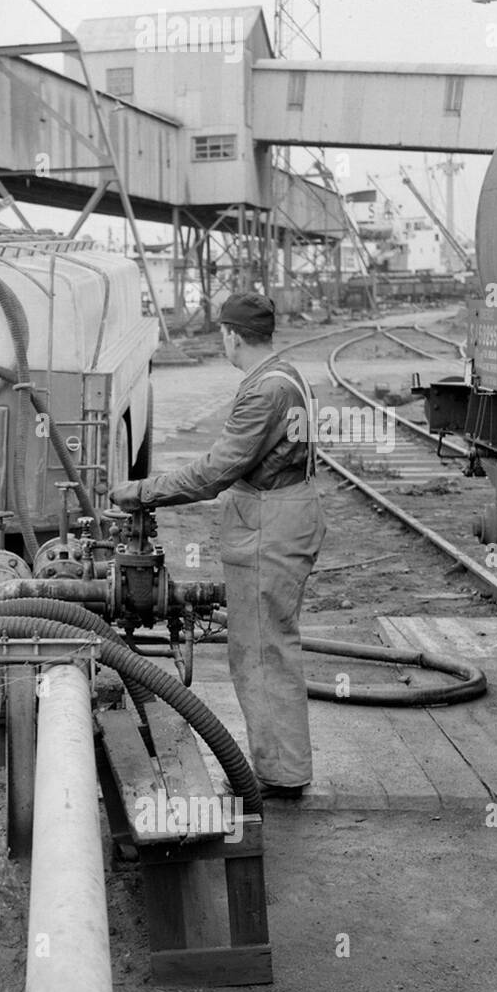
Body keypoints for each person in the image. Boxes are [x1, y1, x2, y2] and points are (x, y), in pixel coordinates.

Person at [109, 291, 326, 798]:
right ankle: (282, 768)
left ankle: (281, 776)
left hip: (269, 525)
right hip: (283, 514)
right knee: (269, 645)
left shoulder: (263, 393)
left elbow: (216, 472)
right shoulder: (288, 375)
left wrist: (142, 492)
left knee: (261, 653)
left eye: (221, 334)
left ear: (231, 335)